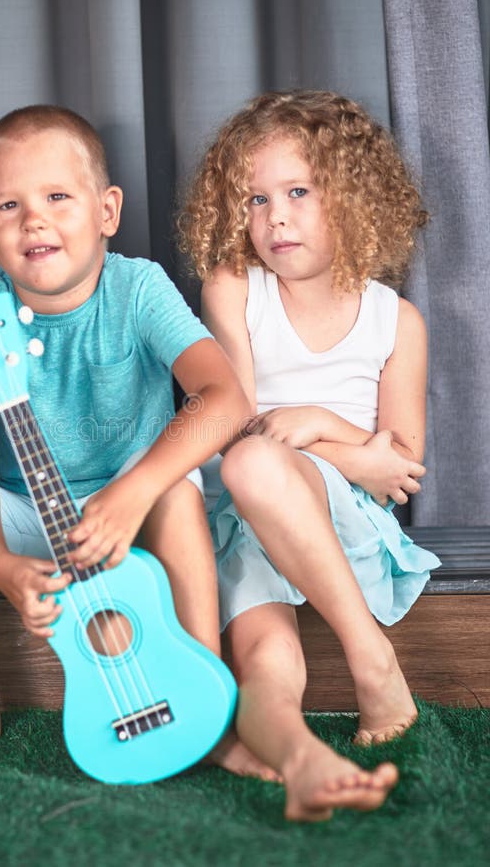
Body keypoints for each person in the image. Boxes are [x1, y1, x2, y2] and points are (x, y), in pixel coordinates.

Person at [0, 104, 257, 772]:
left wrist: (133, 494)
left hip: (127, 519)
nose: (33, 220)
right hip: (29, 522)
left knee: (178, 487)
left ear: (107, 211)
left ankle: (207, 706)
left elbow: (227, 397)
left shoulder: (138, 287)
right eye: (9, 205)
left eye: (56, 197)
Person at [178, 89, 441, 821]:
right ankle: (301, 760)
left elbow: (401, 465)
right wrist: (353, 450)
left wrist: (318, 425)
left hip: (343, 522)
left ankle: (371, 659)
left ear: (353, 198)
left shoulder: (397, 321)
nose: (275, 217)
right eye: (255, 199)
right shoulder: (234, 288)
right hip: (244, 525)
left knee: (255, 465)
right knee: (265, 667)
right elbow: (234, 421)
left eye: (297, 192)